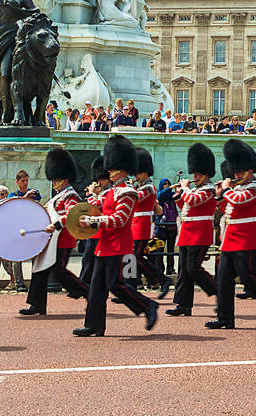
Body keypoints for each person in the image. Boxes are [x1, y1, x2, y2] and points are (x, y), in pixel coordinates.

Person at [73, 135, 160, 336]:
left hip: (119, 246)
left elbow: (120, 219)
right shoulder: (110, 192)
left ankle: (148, 306)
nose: (109, 170)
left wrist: (93, 221)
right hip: (104, 245)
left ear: (122, 167)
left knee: (116, 284)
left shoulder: (128, 192)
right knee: (96, 288)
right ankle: (94, 325)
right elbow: (98, 209)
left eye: (112, 167)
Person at [206, 139, 256, 331]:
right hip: (230, 238)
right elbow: (228, 208)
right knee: (224, 280)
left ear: (249, 171)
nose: (235, 175)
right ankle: (225, 318)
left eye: (239, 171)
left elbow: (239, 201)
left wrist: (226, 190)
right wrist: (219, 194)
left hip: (246, 238)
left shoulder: (255, 188)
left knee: (249, 277)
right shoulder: (238, 187)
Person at [21, 147, 89, 315]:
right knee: (40, 270)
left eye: (57, 179)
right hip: (51, 239)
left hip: (63, 240)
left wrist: (57, 225)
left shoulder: (70, 196)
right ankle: (37, 305)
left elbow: (71, 214)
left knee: (59, 271)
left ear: (65, 179)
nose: (54, 182)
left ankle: (87, 291)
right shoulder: (58, 196)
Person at [167, 144, 220, 317]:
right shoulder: (197, 188)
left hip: (200, 233)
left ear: (206, 174)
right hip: (187, 232)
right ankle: (183, 304)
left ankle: (219, 291)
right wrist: (178, 195)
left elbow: (194, 200)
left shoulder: (209, 189)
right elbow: (186, 206)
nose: (194, 176)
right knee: (183, 270)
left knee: (193, 268)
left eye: (197, 174)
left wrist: (185, 189)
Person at [126, 149, 170, 296]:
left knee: (135, 256)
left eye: (138, 172)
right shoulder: (140, 186)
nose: (136, 176)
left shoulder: (148, 187)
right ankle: (130, 287)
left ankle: (162, 279)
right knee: (131, 257)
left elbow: (135, 198)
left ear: (144, 171)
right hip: (134, 225)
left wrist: (128, 187)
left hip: (142, 225)